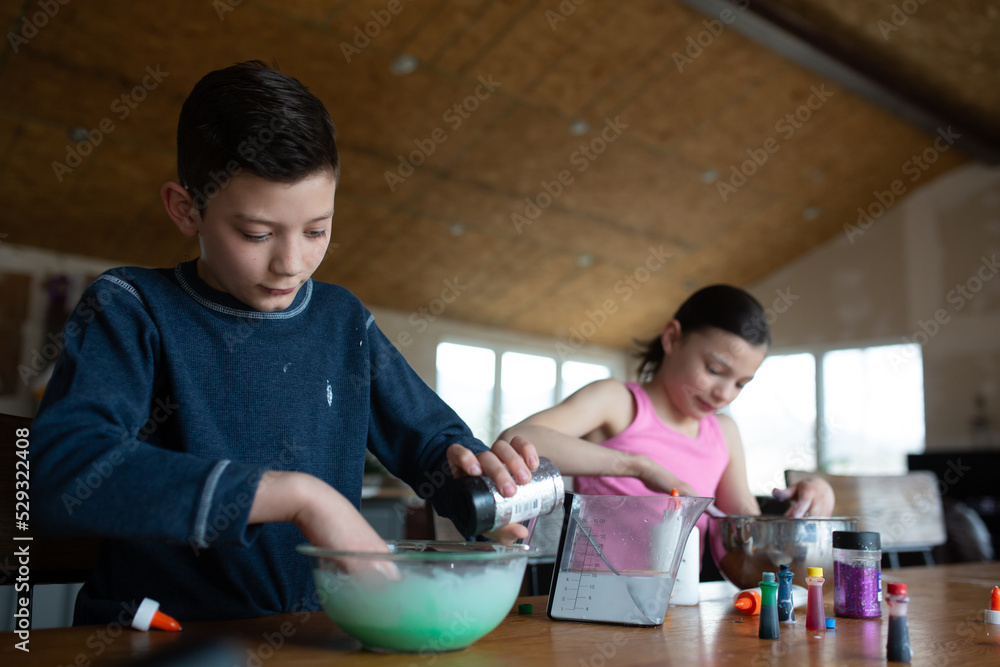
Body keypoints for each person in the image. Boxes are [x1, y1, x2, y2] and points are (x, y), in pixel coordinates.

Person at [30, 61, 536, 625]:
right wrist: (300, 496)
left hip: (310, 639)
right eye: (257, 234)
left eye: (317, 230)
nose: (291, 263)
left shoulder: (341, 320)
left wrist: (483, 487)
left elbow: (430, 442)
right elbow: (62, 469)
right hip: (162, 639)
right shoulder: (131, 306)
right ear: (186, 209)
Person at [499, 285, 834, 543]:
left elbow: (745, 529)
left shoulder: (724, 432)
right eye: (715, 369)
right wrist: (636, 465)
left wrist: (812, 501)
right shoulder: (617, 402)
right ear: (672, 338)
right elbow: (518, 440)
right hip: (599, 601)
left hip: (684, 611)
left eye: (741, 384)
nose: (724, 393)